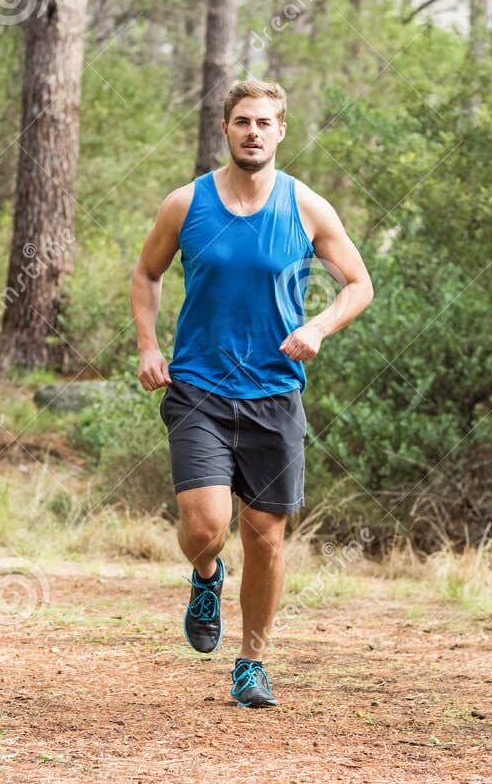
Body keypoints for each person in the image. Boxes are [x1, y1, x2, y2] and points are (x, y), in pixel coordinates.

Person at [129, 78, 374, 708]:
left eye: (265, 122)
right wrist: (149, 347)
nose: (253, 132)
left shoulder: (307, 207)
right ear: (226, 130)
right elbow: (147, 273)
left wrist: (319, 326)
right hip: (200, 388)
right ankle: (205, 575)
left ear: (281, 130)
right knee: (207, 526)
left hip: (274, 394)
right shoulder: (186, 204)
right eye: (242, 122)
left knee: (265, 535)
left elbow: (359, 284)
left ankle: (252, 663)